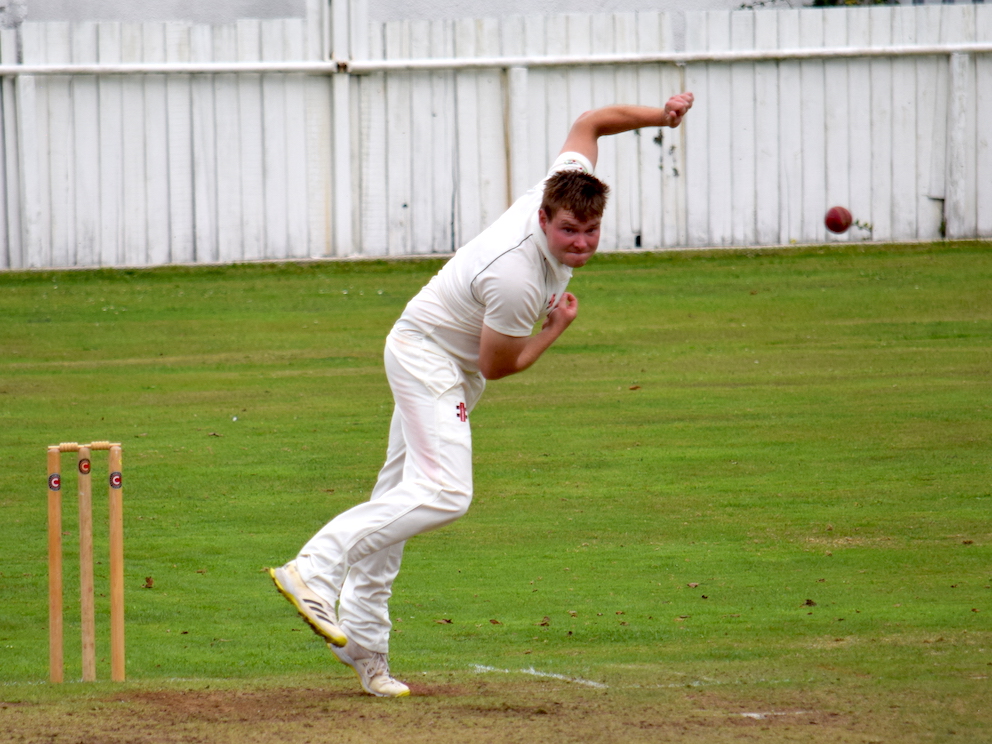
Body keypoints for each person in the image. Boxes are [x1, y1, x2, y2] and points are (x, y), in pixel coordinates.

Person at [270, 92, 695, 697]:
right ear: (544, 218)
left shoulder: (568, 179)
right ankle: (310, 567)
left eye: (592, 231)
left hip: (448, 361)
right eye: (569, 231)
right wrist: (554, 331)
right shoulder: (518, 277)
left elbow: (592, 121)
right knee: (446, 492)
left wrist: (663, 116)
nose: (580, 243)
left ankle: (365, 647)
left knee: (399, 496)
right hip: (429, 357)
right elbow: (499, 365)